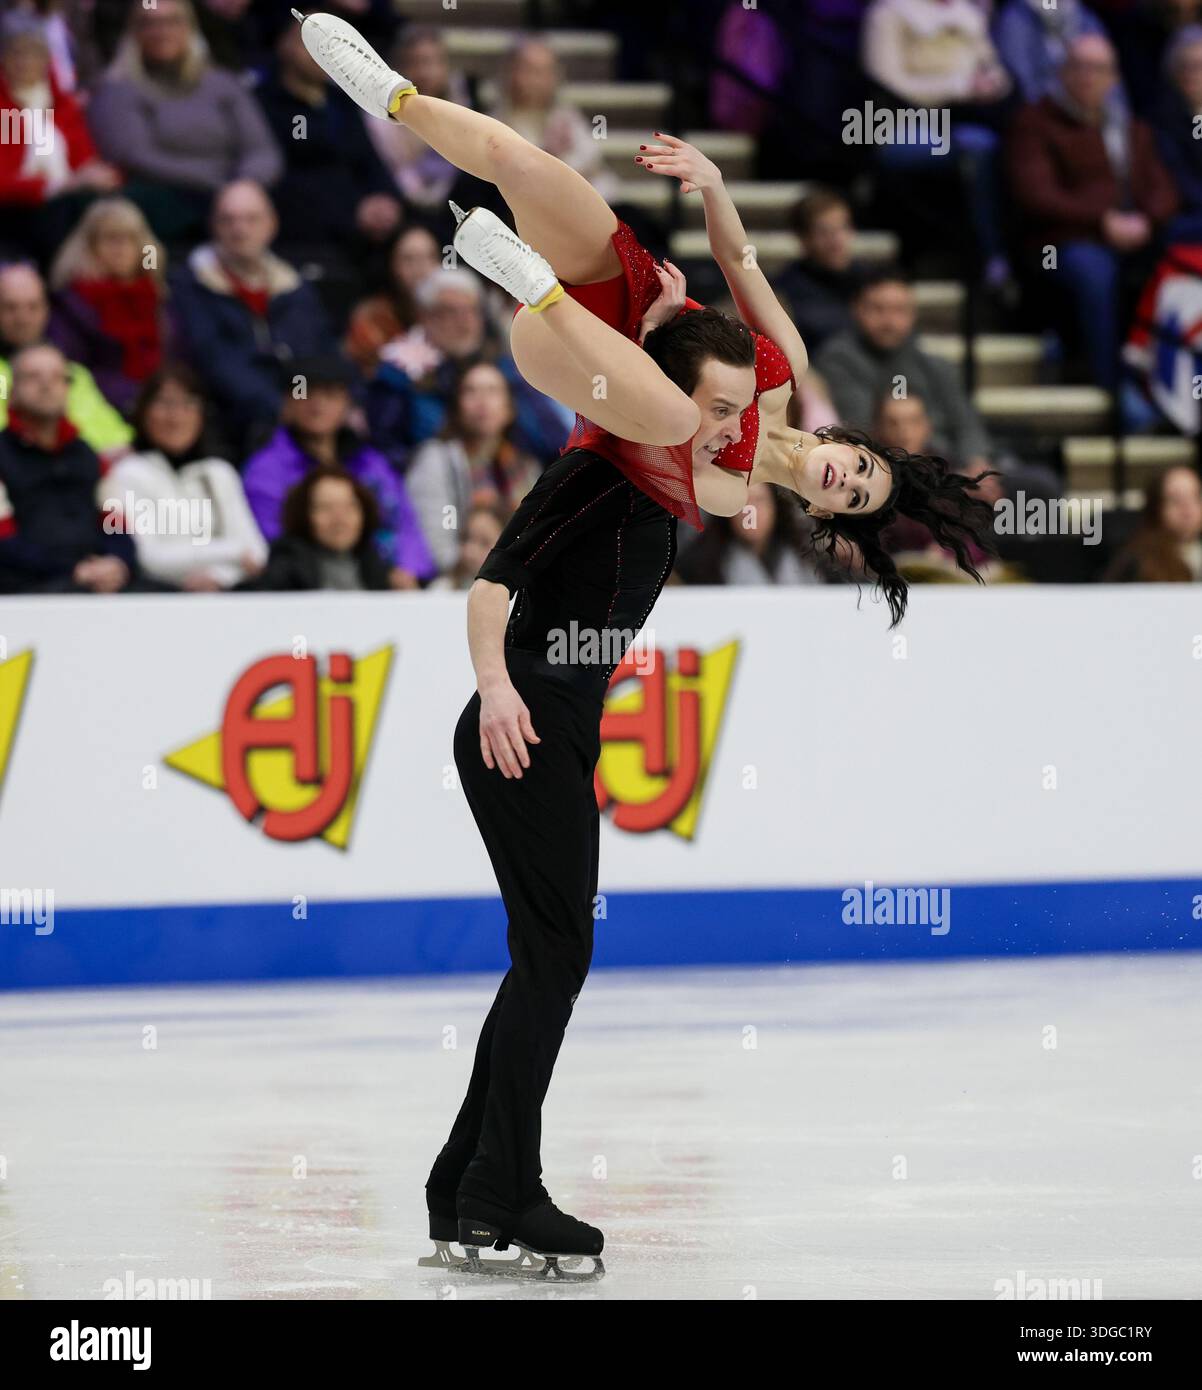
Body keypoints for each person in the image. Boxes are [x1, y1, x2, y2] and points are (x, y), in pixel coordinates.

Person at [298, 10, 997, 1279]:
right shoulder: (781, 373)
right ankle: (392, 97)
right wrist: (720, 191)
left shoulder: (727, 493)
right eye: (853, 467)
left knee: (682, 410)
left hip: (586, 356)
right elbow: (736, 266)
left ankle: (478, 1185)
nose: (833, 474)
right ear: (857, 444)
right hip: (628, 316)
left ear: (822, 513)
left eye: (839, 495)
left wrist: (688, 393)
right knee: (533, 163)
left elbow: (674, 457)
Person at [1007, 33, 1179, 392]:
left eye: (1098, 69)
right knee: (1094, 272)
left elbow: (1163, 188)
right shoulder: (1034, 122)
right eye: (1079, 67)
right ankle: (1112, 388)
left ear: (1114, 78)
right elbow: (1036, 195)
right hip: (1060, 242)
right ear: (1062, 73)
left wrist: (1146, 220)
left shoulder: (1132, 127)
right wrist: (1102, 219)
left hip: (1132, 235)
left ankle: (1169, 387)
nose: (1088, 76)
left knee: (1182, 262)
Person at [87, 0, 282, 245]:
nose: (162, 32)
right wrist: (219, 184)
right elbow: (134, 155)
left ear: (190, 28)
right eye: (150, 24)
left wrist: (244, 184)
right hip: (166, 195)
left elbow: (261, 148)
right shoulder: (117, 88)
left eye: (172, 22)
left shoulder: (222, 82)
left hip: (231, 193)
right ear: (133, 32)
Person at [241, 353, 434, 588]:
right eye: (305, 393)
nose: (317, 405)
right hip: (303, 588)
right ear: (287, 402)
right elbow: (275, 540)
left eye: (330, 395)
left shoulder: (372, 462)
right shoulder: (266, 469)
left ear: (347, 403)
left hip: (381, 585)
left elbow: (404, 523)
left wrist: (407, 569)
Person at [169, 179, 332, 449]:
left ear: (272, 224)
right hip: (230, 423)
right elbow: (214, 360)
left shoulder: (296, 288)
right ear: (213, 226)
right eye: (228, 220)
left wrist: (339, 402)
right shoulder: (190, 287)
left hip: (305, 415)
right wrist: (280, 407)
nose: (240, 229)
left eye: (251, 219)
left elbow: (325, 350)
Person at [365, 266, 572, 463]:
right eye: (451, 311)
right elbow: (387, 452)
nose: (464, 322)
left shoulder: (503, 368)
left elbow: (552, 437)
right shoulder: (399, 373)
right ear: (425, 317)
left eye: (471, 310)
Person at [252, 20, 401, 269]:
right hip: (297, 230)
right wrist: (354, 209)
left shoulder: (343, 101)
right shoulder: (264, 101)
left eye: (327, 45)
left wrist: (386, 199)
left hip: (357, 229)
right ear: (284, 46)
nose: (320, 53)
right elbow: (287, 175)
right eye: (308, 43)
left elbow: (370, 159)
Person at [103, 365, 266, 591]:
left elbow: (257, 552)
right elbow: (149, 557)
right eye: (164, 403)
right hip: (156, 601)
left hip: (224, 598)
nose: (176, 416)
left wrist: (220, 576)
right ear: (143, 412)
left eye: (188, 403)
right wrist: (234, 552)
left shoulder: (219, 472)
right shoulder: (126, 473)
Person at [0, 343, 136, 593]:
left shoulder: (90, 455)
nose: (46, 385)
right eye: (33, 377)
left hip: (96, 583)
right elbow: (4, 541)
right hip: (24, 592)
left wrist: (117, 563)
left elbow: (117, 524)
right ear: (13, 389)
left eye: (57, 377)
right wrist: (73, 570)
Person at [0, 14, 121, 262]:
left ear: (47, 60)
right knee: (64, 213)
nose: (24, 62)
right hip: (21, 209)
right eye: (16, 53)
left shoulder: (62, 105)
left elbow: (84, 158)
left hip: (69, 200)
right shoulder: (7, 112)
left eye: (34, 53)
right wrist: (58, 186)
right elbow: (5, 180)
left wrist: (96, 175)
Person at [404, 360, 541, 575]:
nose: (482, 401)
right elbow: (437, 540)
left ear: (510, 409)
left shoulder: (527, 467)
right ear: (457, 407)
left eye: (492, 391)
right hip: (458, 587)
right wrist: (465, 560)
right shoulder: (437, 459)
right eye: (471, 391)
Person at [47, 196, 169, 415]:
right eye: (110, 238)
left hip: (158, 408)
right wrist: (138, 399)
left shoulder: (157, 298)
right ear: (90, 246)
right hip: (103, 410)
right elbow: (75, 373)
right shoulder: (73, 303)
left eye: (129, 239)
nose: (120, 248)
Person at [0, 262, 132, 455]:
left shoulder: (73, 373)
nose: (23, 318)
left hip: (79, 474)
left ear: (46, 310)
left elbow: (116, 439)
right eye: (10, 307)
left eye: (33, 306)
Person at [487, 38, 616, 201]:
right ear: (511, 72)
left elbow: (591, 162)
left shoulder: (566, 118)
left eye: (547, 71)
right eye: (531, 70)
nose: (539, 80)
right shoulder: (497, 123)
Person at [241, 467, 395, 592]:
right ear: (304, 515)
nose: (339, 519)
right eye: (325, 507)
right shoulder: (288, 564)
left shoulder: (373, 563)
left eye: (349, 507)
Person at [677, 481, 826, 585]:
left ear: (775, 508)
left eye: (758, 500)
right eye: (742, 502)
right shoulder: (698, 566)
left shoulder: (807, 556)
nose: (750, 511)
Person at [344, 223, 442, 374]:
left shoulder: (452, 312)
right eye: (408, 259)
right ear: (392, 265)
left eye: (428, 257)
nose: (419, 268)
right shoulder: (372, 317)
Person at [775, 187, 861, 354]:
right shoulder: (784, 290)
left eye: (843, 228)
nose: (837, 241)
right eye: (824, 232)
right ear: (803, 238)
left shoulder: (870, 281)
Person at [1104, 465, 1202, 581]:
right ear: (1156, 507)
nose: (1187, 509)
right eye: (1175, 500)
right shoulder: (1137, 561)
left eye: (1195, 497)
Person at [427, 502, 505, 592]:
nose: (471, 551)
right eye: (466, 538)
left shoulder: (519, 596)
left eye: (484, 542)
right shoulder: (441, 590)